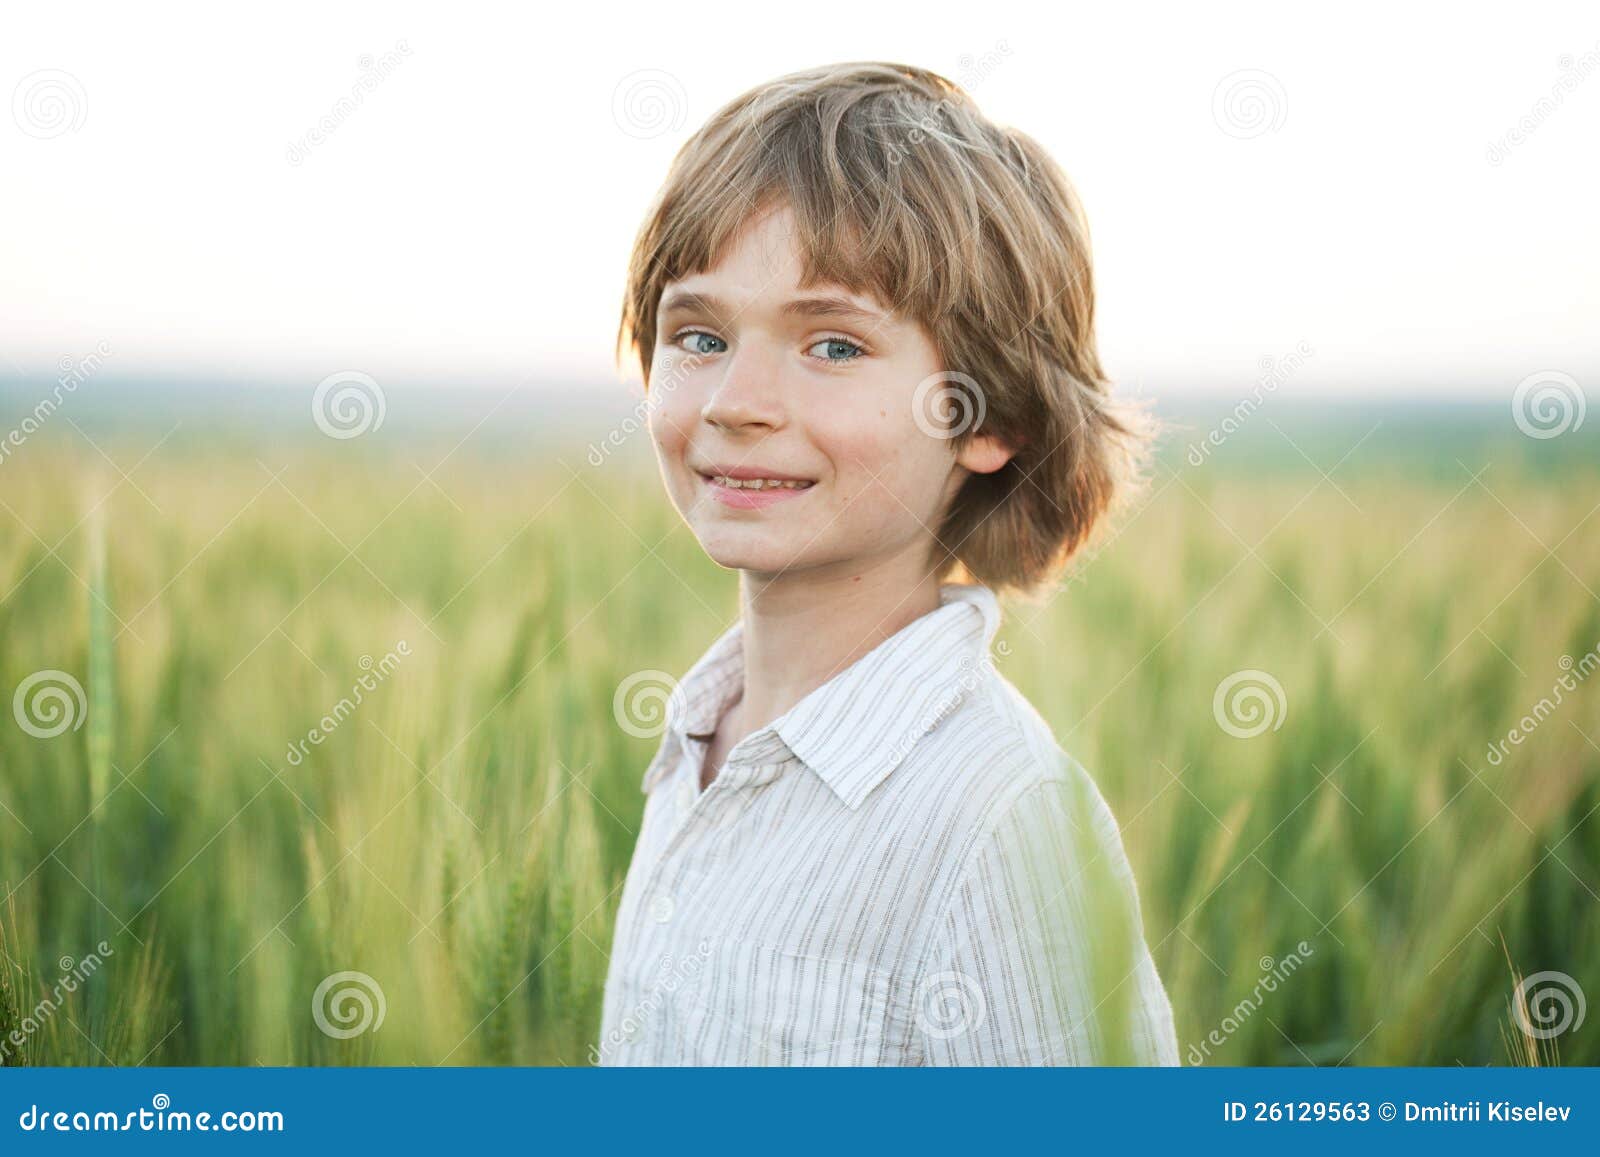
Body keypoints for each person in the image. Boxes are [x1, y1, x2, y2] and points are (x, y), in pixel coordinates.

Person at [597, 61, 1177, 1066]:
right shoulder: (696, 745)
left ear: (990, 410)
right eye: (698, 334)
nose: (737, 399)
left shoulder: (1001, 822)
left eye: (831, 346)